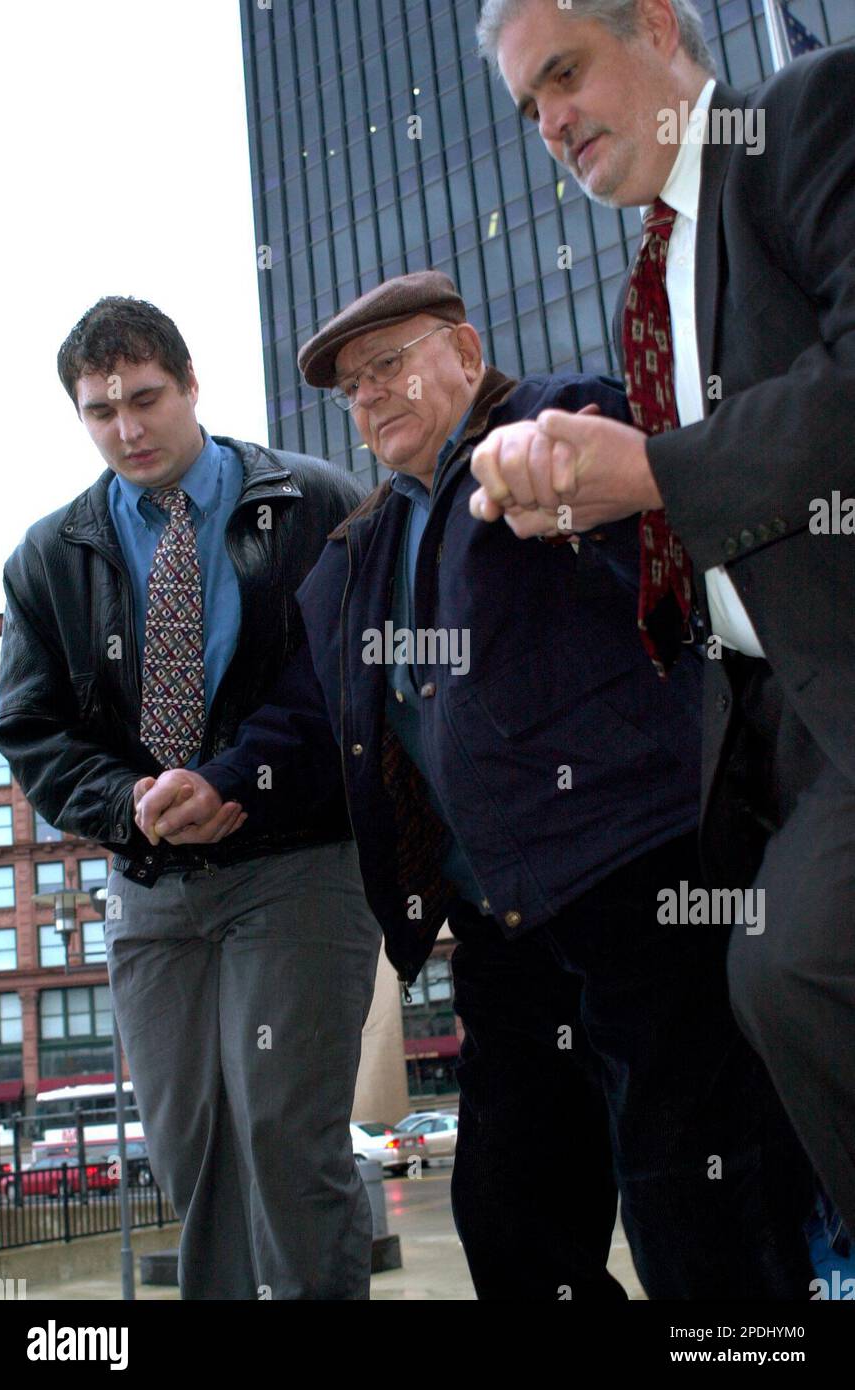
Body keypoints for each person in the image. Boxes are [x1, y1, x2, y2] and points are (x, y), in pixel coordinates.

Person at [136, 270, 814, 1300]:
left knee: (688, 1174)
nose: (370, 397)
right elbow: (312, 720)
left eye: (389, 364)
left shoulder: (548, 424)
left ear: (463, 350)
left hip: (638, 870)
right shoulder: (350, 556)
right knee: (509, 1204)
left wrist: (570, 469)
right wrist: (221, 780)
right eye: (350, 389)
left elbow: (645, 502)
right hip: (497, 914)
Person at [473, 0, 855, 1244]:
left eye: (565, 75)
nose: (551, 125)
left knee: (790, 966)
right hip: (762, 747)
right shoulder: (658, 267)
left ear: (653, 23)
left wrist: (649, 474)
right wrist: (586, 504)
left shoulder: (802, 114)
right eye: (530, 108)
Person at [0, 296, 381, 1300]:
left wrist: (227, 777)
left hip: (294, 862)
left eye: (145, 399)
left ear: (191, 383)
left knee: (283, 1133)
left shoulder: (310, 502)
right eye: (100, 409)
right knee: (189, 1145)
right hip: (149, 882)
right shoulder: (47, 557)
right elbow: (31, 730)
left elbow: (341, 683)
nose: (127, 428)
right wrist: (129, 802)